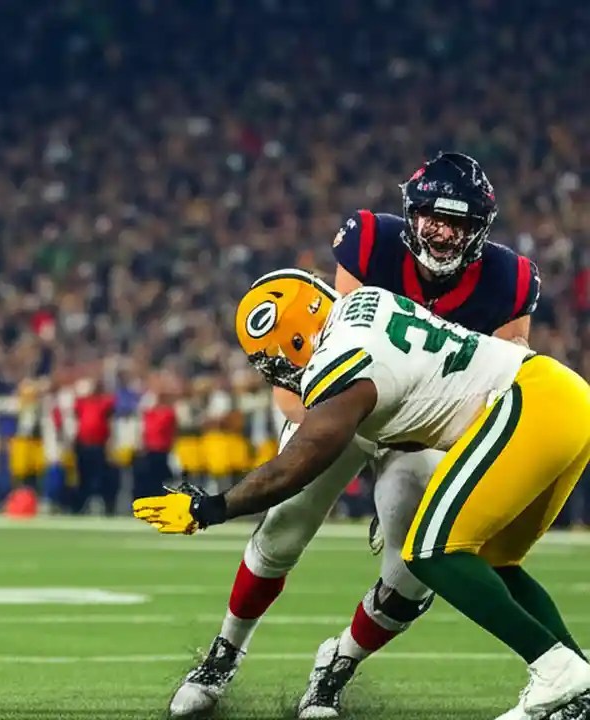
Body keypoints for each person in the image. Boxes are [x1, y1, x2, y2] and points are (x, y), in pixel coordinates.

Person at [169, 152, 541, 718]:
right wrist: (310, 431)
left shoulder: (510, 279)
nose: (442, 232)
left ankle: (336, 666)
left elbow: (501, 393)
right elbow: (324, 356)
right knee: (286, 521)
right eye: (433, 218)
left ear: (480, 230)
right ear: (410, 214)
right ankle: (225, 653)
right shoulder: (369, 241)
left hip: (425, 430)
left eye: (459, 223)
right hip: (350, 404)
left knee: (419, 565)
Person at [136, 272, 590, 720]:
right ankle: (578, 682)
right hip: (553, 397)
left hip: (523, 405)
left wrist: (212, 507)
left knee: (429, 554)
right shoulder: (365, 303)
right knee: (491, 561)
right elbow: (417, 395)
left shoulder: (340, 358)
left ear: (297, 340)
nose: (281, 375)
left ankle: (553, 669)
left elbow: (305, 458)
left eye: (277, 363)